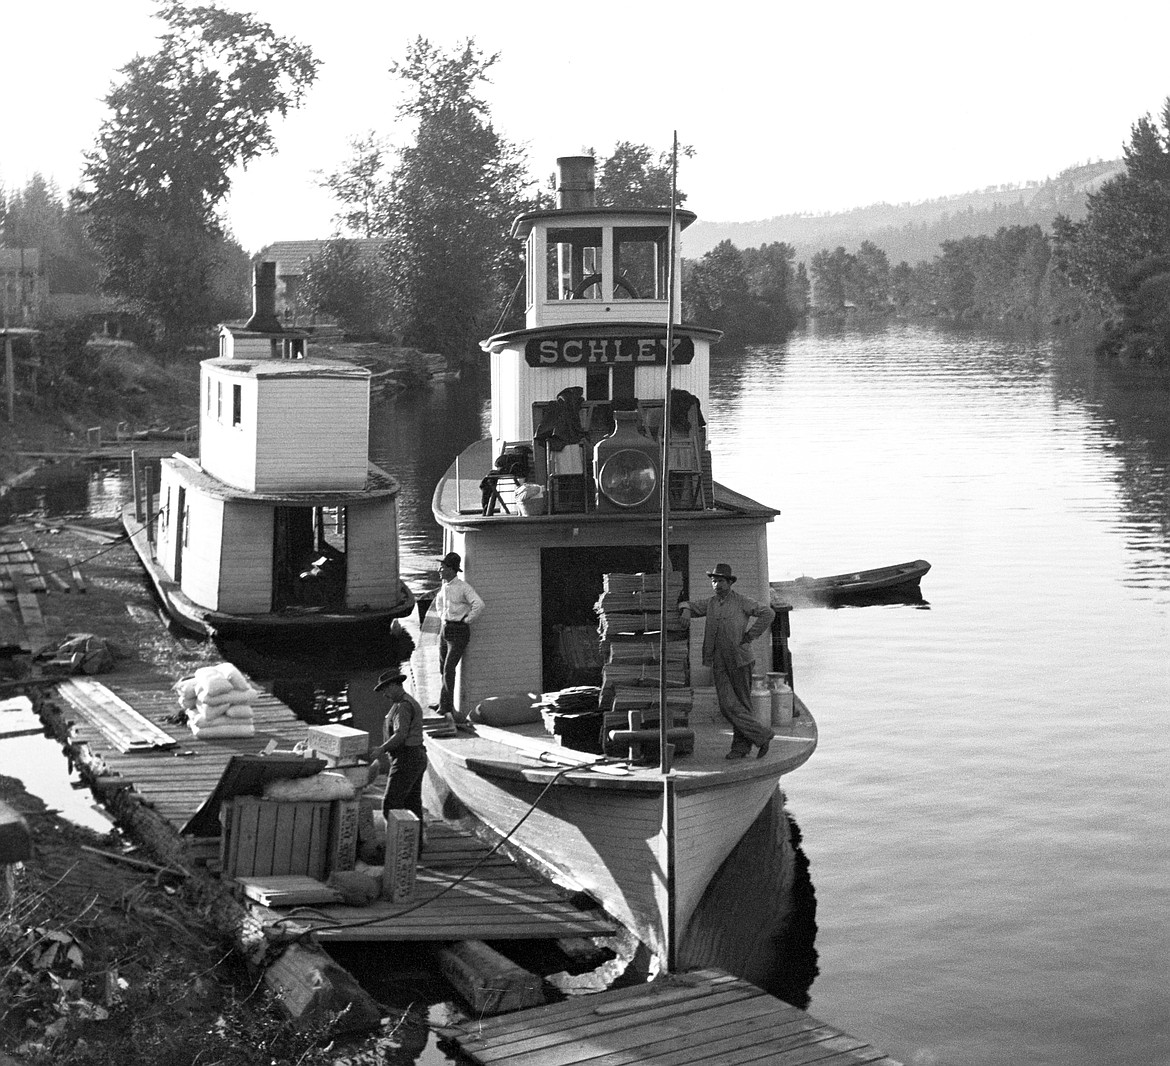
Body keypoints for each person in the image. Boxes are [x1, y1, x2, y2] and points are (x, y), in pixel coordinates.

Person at [680, 562, 776, 759]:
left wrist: (751, 635)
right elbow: (688, 605)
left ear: (729, 583)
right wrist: (685, 610)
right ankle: (762, 735)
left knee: (742, 703)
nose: (717, 585)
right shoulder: (711, 603)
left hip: (740, 660)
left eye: (721, 581)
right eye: (714, 581)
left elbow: (768, 613)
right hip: (719, 661)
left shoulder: (742, 601)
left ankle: (740, 748)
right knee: (727, 706)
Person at [370, 670, 427, 850]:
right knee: (412, 804)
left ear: (395, 686)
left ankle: (397, 848)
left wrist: (382, 749)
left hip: (407, 758)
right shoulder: (401, 703)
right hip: (416, 756)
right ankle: (415, 849)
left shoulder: (403, 706)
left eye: (386, 690)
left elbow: (401, 735)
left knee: (391, 804)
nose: (385, 695)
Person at [434, 551, 485, 720]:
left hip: (459, 631)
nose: (439, 570)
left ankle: (446, 708)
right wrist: (442, 618)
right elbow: (439, 604)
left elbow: (479, 605)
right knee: (442, 667)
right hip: (446, 629)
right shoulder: (444, 586)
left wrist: (466, 620)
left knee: (449, 668)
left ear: (451, 569)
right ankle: (443, 702)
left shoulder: (463, 587)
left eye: (442, 567)